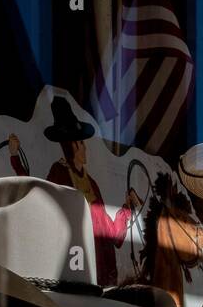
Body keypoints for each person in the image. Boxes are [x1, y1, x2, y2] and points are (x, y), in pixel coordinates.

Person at [8, 97, 132, 288]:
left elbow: (112, 235)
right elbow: (37, 198)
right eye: (80, 143)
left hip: (101, 280)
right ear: (70, 146)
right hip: (75, 272)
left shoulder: (92, 185)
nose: (85, 147)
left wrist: (127, 208)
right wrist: (15, 157)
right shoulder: (59, 174)